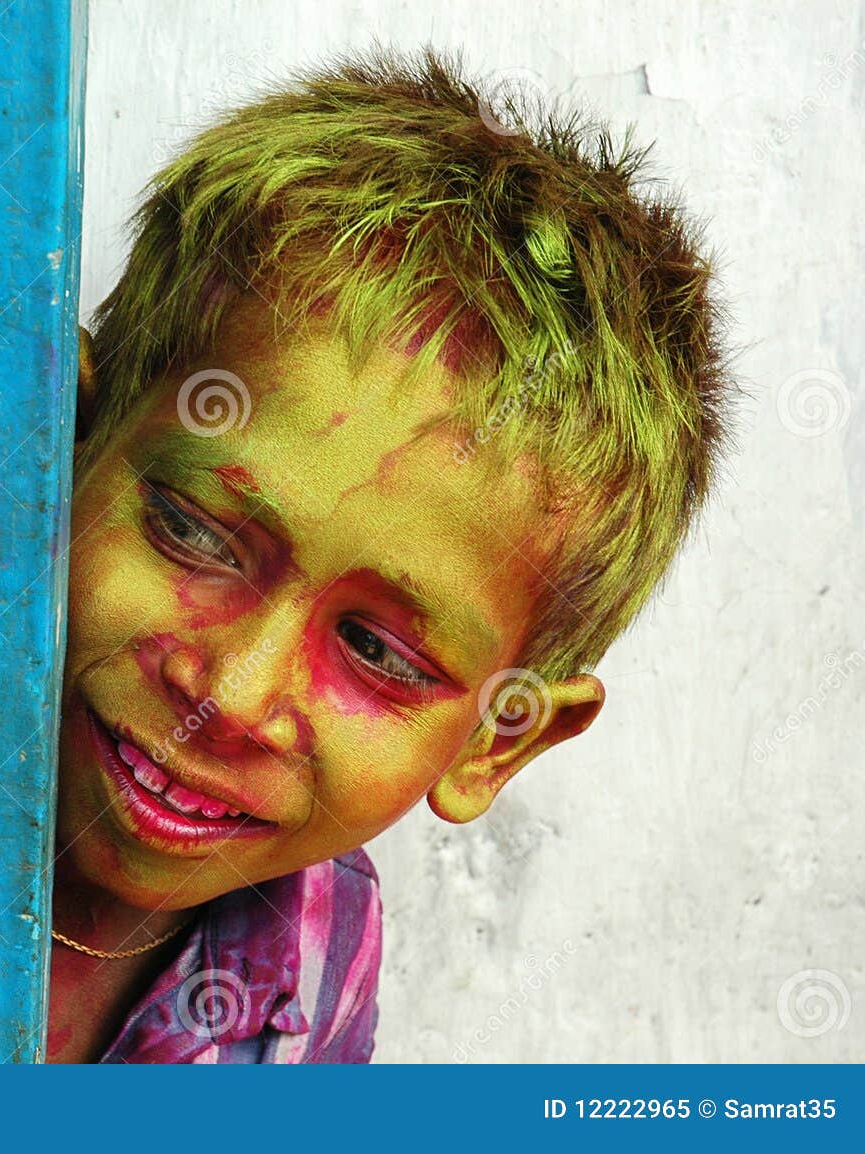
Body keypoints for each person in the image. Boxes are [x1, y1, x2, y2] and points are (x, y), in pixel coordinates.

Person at [46, 48, 730, 1063]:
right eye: (193, 531)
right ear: (62, 443)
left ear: (493, 740)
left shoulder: (323, 952)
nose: (230, 693)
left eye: (380, 652)